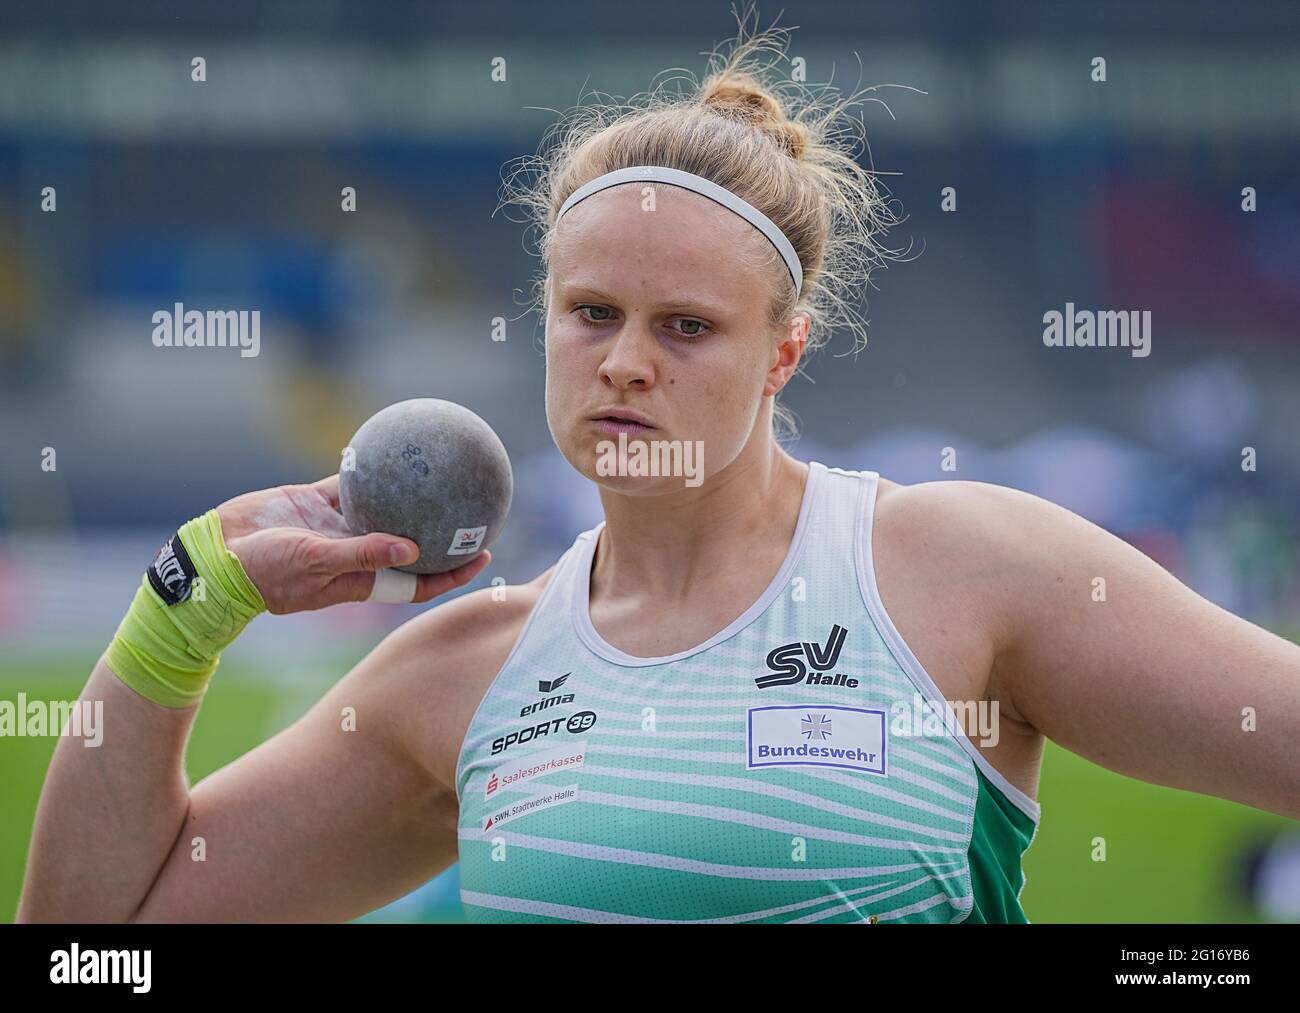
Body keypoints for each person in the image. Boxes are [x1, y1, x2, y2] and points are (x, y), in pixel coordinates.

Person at [18, 24, 1299, 925]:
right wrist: (190, 600)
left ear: (781, 353)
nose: (624, 362)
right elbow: (91, 947)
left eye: (684, 326)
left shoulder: (961, 571)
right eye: (589, 313)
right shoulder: (458, 674)